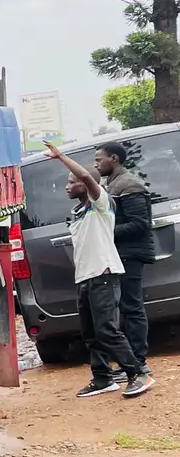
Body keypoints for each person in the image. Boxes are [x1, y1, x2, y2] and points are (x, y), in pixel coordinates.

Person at [44, 143, 153, 398]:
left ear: (86, 186)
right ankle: (103, 378)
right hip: (85, 277)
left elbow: (85, 175)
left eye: (72, 182)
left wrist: (61, 156)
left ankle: (138, 373)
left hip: (103, 274)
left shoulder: (100, 204)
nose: (67, 186)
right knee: (91, 334)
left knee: (107, 330)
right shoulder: (79, 211)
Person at [95, 140, 155, 381]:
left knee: (132, 307)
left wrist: (105, 231)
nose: (96, 164)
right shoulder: (113, 184)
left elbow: (140, 224)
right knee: (126, 307)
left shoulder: (129, 184)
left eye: (99, 159)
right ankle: (132, 361)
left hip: (130, 254)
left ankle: (139, 362)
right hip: (120, 253)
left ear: (114, 159)